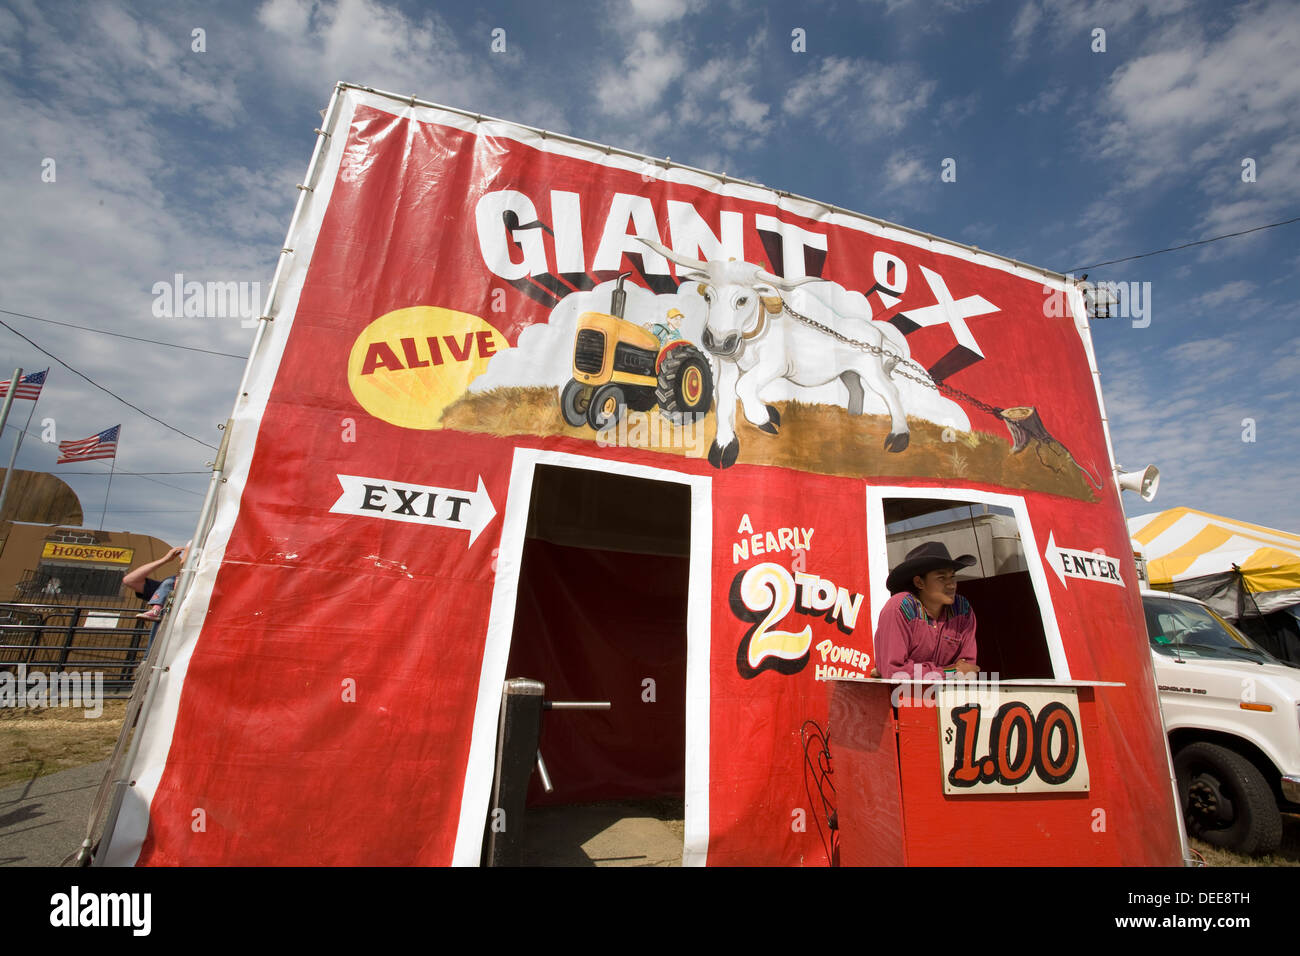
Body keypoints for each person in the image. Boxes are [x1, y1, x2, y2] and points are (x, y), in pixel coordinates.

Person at [874, 541, 978, 680]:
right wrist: (950, 671)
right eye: (941, 578)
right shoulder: (900, 608)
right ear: (919, 582)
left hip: (949, 699)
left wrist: (920, 672)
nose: (951, 584)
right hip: (900, 698)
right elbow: (894, 672)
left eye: (952, 576)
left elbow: (968, 669)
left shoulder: (963, 609)